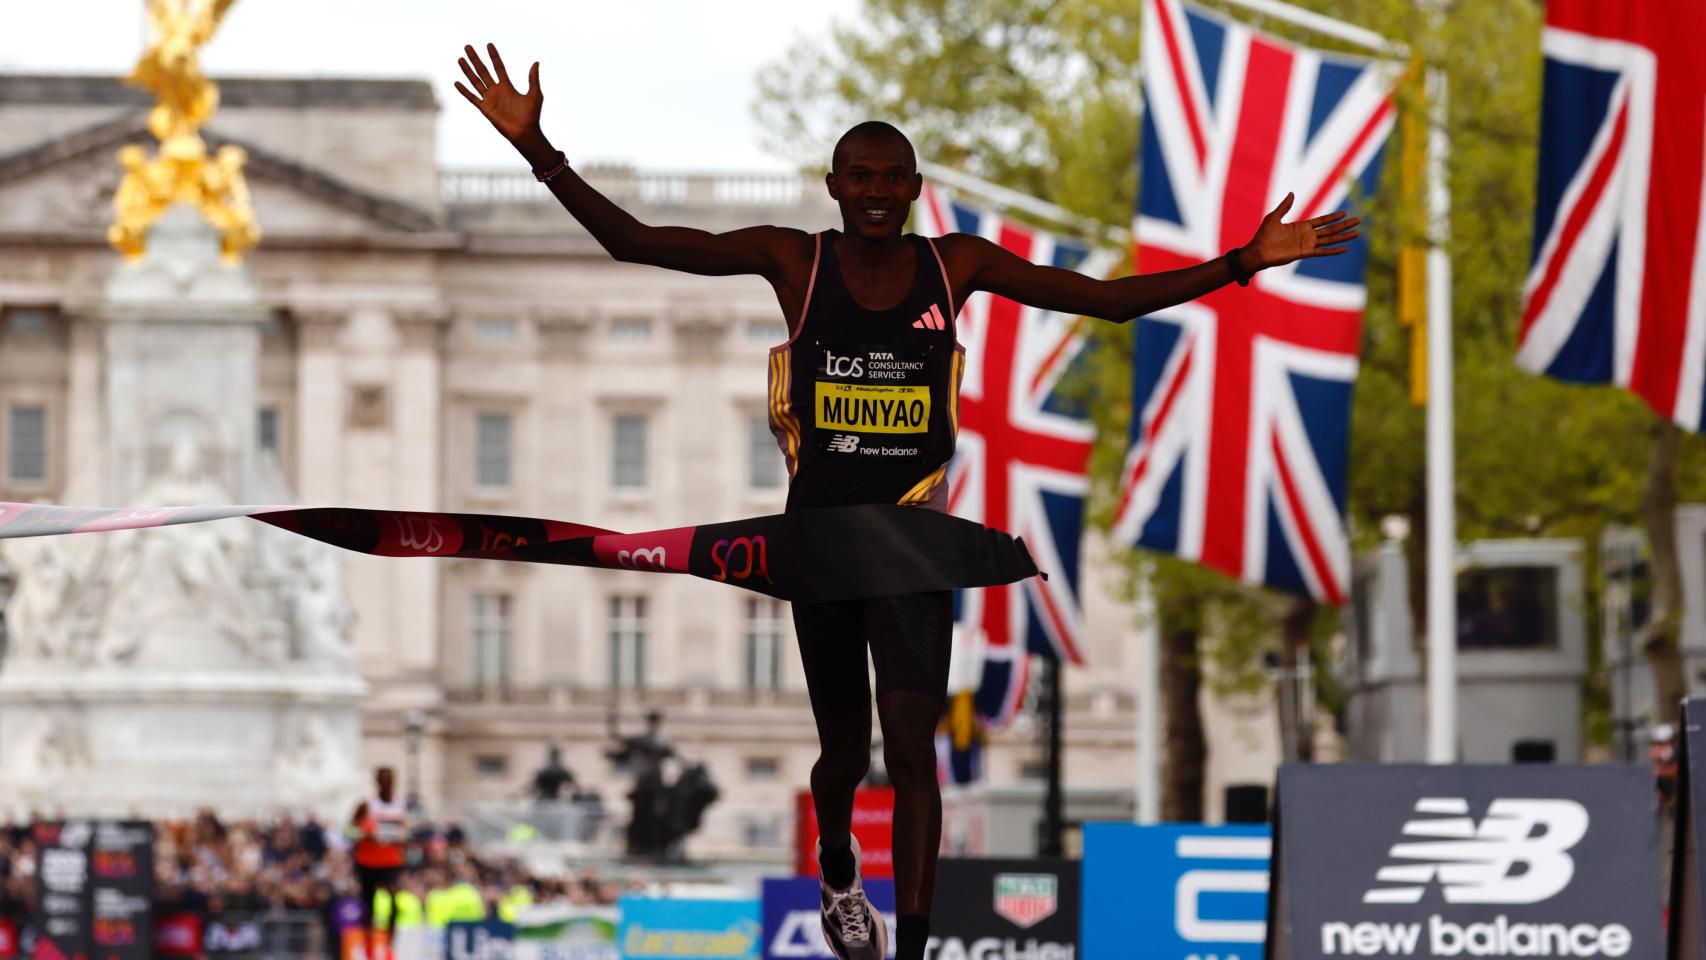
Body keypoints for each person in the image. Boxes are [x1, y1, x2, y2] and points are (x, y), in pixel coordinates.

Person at [454, 42, 1357, 960]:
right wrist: (540, 150)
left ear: (916, 186)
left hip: (912, 545)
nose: (878, 190)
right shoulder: (792, 261)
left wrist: (1243, 260)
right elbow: (636, 243)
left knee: (913, 746)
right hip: (818, 548)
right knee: (843, 757)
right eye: (861, 177)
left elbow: (1109, 301)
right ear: (835, 186)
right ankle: (838, 865)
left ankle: (914, 947)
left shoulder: (953, 265)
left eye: (894, 177)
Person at [349, 767, 409, 959]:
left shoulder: (400, 804)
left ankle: (389, 946)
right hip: (368, 861)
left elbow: (405, 830)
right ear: (377, 783)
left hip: (390, 861)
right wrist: (366, 834)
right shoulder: (367, 804)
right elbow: (348, 829)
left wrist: (402, 836)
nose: (387, 785)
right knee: (369, 904)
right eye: (383, 781)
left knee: (393, 901)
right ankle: (369, 946)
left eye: (390, 781)